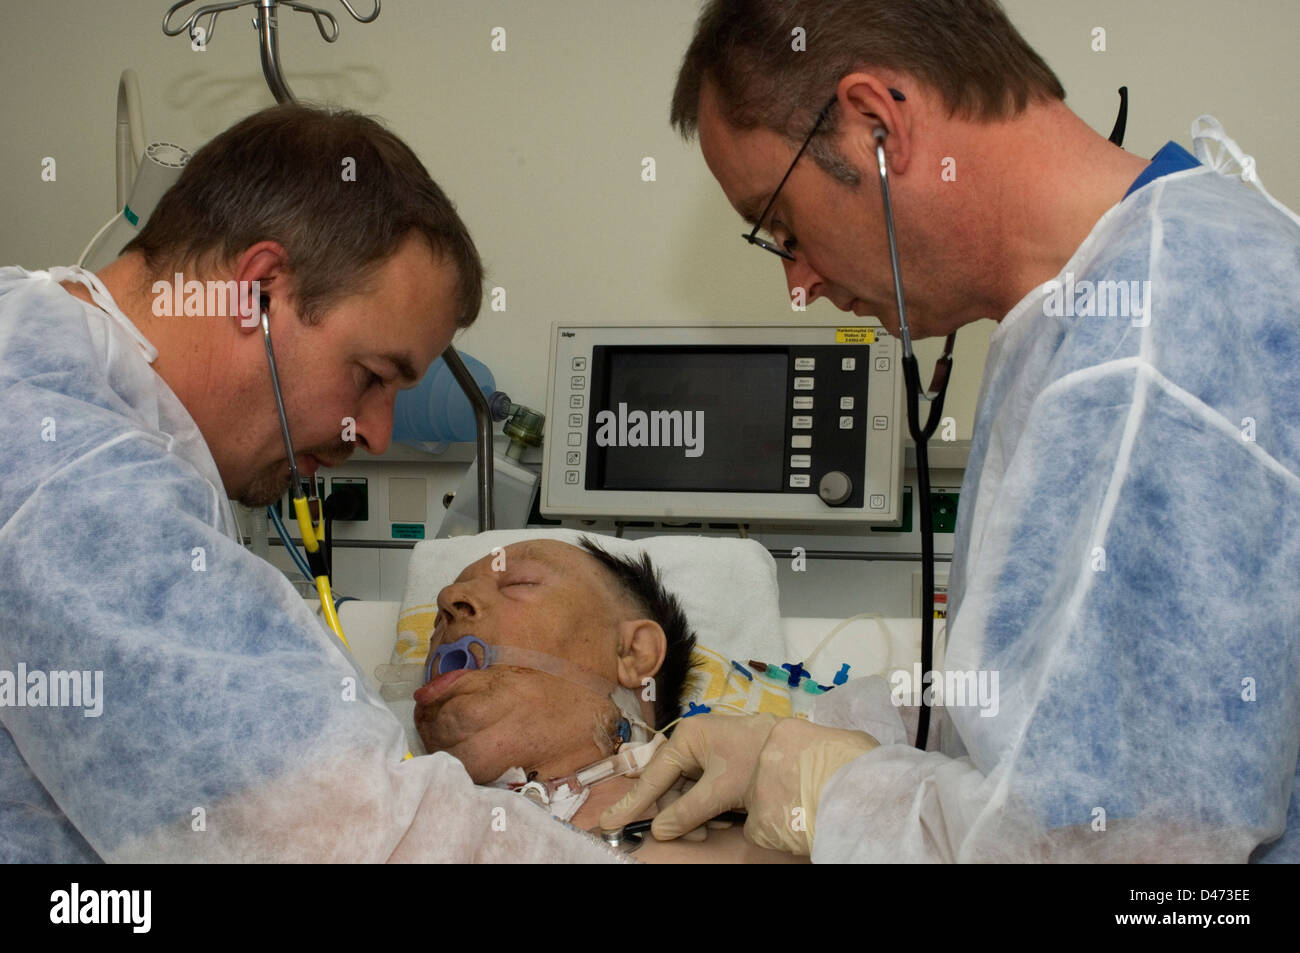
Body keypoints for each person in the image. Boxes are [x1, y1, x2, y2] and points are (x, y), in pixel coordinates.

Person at [602, 0, 1300, 862]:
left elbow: (1117, 848)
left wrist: (834, 795)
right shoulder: (1079, 319)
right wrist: (796, 736)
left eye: (781, 226)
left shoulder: (1155, 342)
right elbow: (1038, 704)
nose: (797, 282)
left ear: (877, 126)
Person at [0, 104, 619, 862]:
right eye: (371, 376)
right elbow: (348, 838)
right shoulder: (74, 476)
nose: (381, 433)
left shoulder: (33, 350)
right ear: (257, 290)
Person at [415, 535, 806, 863]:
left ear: (633, 653)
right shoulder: (384, 825)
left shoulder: (774, 838)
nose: (449, 599)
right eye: (437, 622)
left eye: (519, 583)